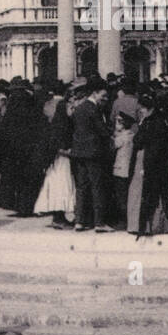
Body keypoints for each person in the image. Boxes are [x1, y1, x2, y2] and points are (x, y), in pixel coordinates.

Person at [129, 94, 168, 236]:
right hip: (162, 163)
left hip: (153, 163)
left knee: (151, 195)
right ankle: (164, 221)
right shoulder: (162, 120)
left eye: (142, 109)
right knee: (163, 194)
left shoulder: (150, 122)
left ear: (149, 108)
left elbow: (139, 141)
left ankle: (151, 225)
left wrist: (146, 167)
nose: (140, 112)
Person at [0, 81, 45, 217]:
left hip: (12, 149)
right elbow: (41, 127)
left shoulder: (11, 107)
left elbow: (3, 131)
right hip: (30, 147)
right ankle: (26, 206)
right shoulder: (34, 105)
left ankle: (13, 204)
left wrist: (1, 150)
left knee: (13, 177)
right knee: (29, 178)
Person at [69, 76, 112, 232]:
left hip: (78, 153)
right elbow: (102, 131)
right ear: (95, 93)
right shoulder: (94, 109)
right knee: (97, 186)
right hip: (93, 153)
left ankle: (79, 221)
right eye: (103, 95)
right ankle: (99, 222)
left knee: (82, 187)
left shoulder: (79, 108)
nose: (105, 98)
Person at [34, 85, 76, 228]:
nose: (72, 109)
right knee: (62, 187)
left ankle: (58, 217)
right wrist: (67, 151)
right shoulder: (61, 126)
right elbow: (56, 145)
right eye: (70, 107)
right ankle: (59, 218)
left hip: (57, 161)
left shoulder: (59, 123)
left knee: (58, 187)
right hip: (60, 161)